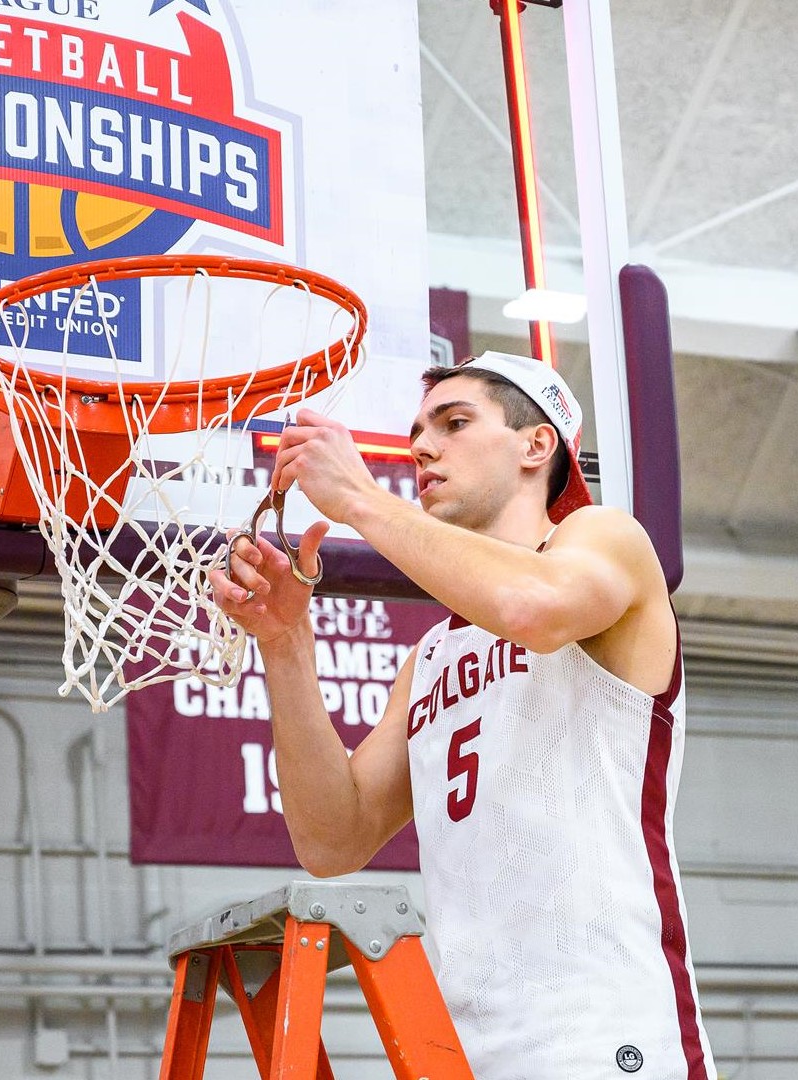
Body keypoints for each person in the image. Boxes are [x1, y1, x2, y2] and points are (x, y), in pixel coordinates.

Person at [209, 350, 714, 1080]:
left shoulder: (605, 540)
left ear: (537, 446)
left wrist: (356, 498)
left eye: (453, 423)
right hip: (465, 1044)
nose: (420, 447)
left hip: (602, 1028)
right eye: (419, 430)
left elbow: (533, 609)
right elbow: (332, 839)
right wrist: (286, 647)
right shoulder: (432, 655)